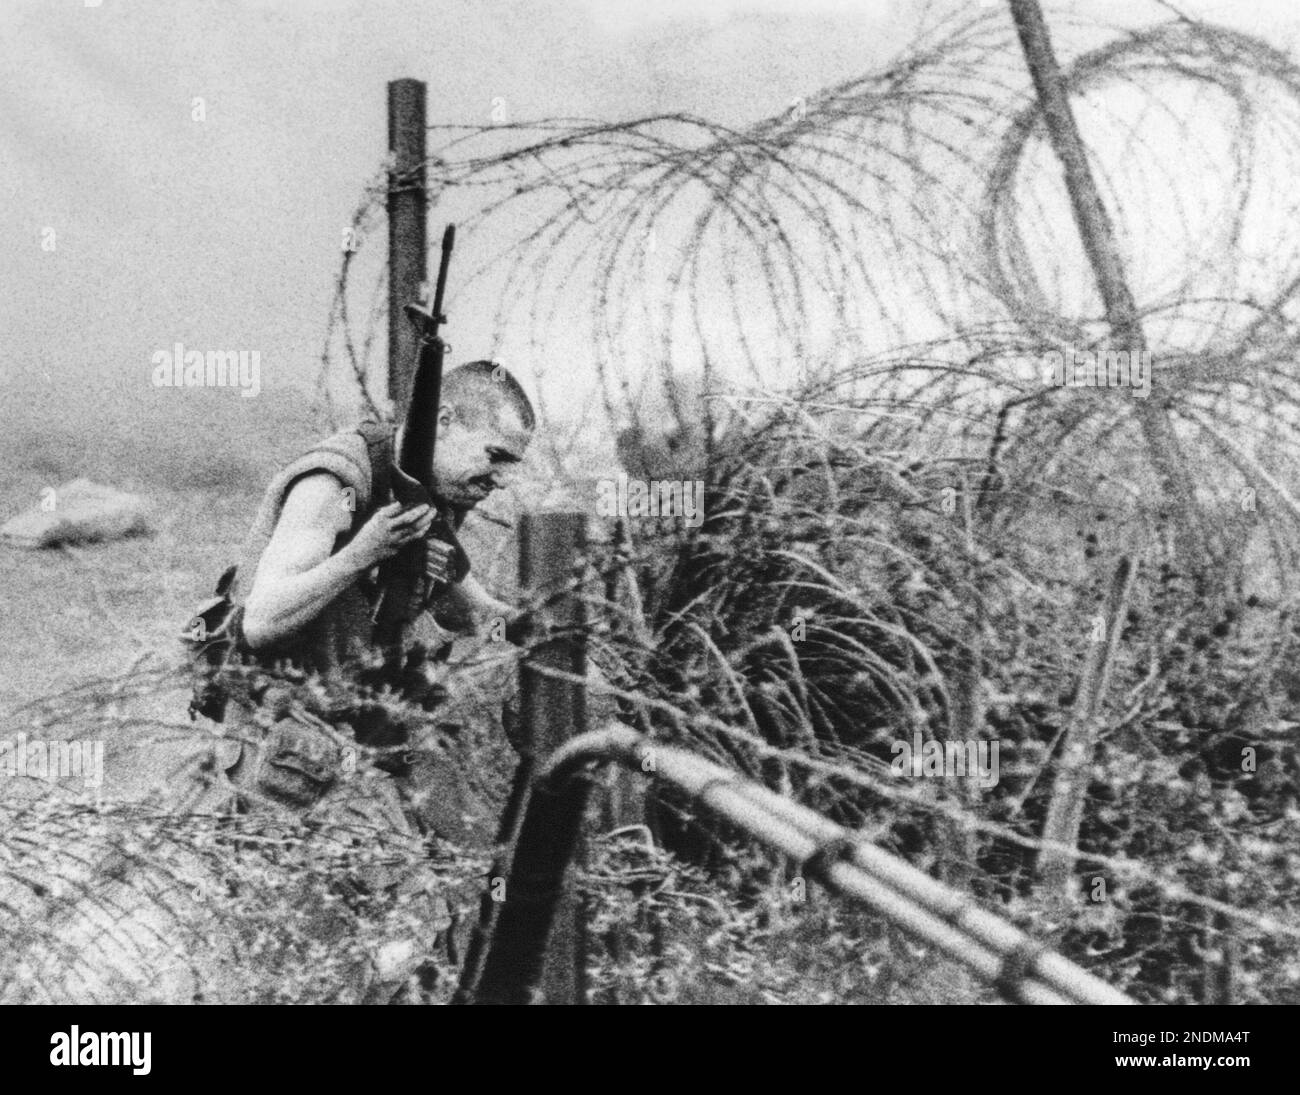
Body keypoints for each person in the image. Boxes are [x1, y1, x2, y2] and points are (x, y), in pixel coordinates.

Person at [187, 360, 534, 999]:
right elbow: (262, 620)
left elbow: (470, 612)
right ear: (446, 422)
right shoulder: (335, 481)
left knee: (395, 945)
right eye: (495, 455)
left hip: (354, 757)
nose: (500, 479)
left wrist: (553, 634)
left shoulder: (430, 498)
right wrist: (363, 552)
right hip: (285, 752)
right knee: (309, 961)